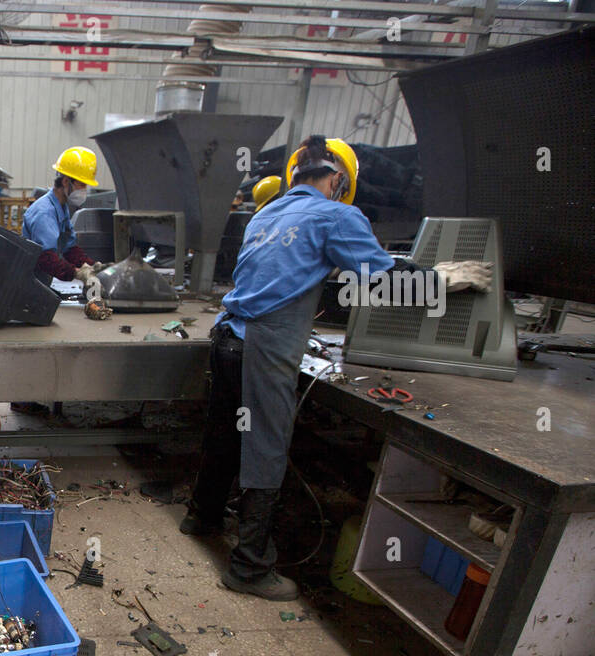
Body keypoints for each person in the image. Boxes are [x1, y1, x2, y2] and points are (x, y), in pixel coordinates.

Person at [181, 135, 490, 601]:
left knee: (224, 433)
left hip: (226, 338)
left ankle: (201, 517)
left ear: (294, 173)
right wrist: (439, 280)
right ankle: (248, 568)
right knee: (265, 449)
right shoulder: (336, 214)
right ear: (340, 178)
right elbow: (381, 281)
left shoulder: (265, 213)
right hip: (264, 347)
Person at [22, 146, 102, 286]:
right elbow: (45, 259)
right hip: (28, 281)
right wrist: (76, 273)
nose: (84, 191)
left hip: (40, 279)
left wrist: (93, 266)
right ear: (66, 182)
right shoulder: (45, 212)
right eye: (81, 185)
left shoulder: (61, 207)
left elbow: (69, 248)